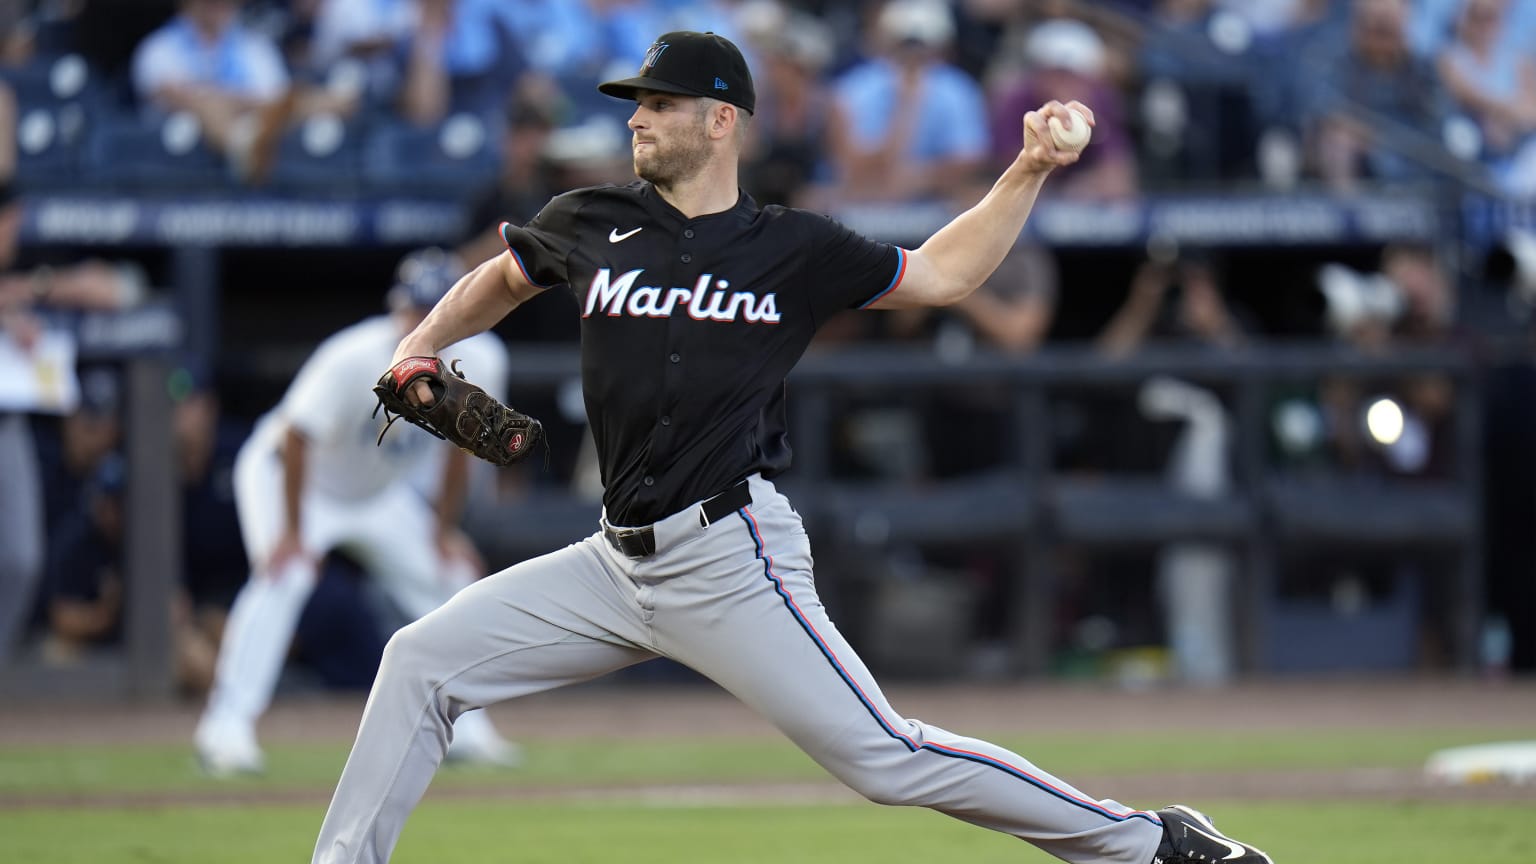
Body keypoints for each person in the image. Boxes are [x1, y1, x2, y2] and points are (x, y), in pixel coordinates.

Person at [309, 30, 1274, 864]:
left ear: (721, 121)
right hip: (613, 562)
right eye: (636, 104)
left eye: (660, 104)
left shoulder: (792, 247)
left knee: (888, 760)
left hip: (731, 557)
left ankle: (1150, 844)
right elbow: (502, 277)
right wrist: (421, 344)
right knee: (418, 663)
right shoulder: (591, 221)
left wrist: (1024, 170)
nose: (637, 119)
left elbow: (941, 276)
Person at [193, 246, 520, 776]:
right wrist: (294, 533)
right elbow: (295, 436)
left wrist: (441, 531)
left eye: (434, 308)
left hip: (374, 491)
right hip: (292, 479)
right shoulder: (355, 355)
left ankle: (466, 728)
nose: (421, 321)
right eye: (413, 309)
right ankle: (225, 728)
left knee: (449, 575)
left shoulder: (483, 359)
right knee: (287, 576)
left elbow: (468, 448)